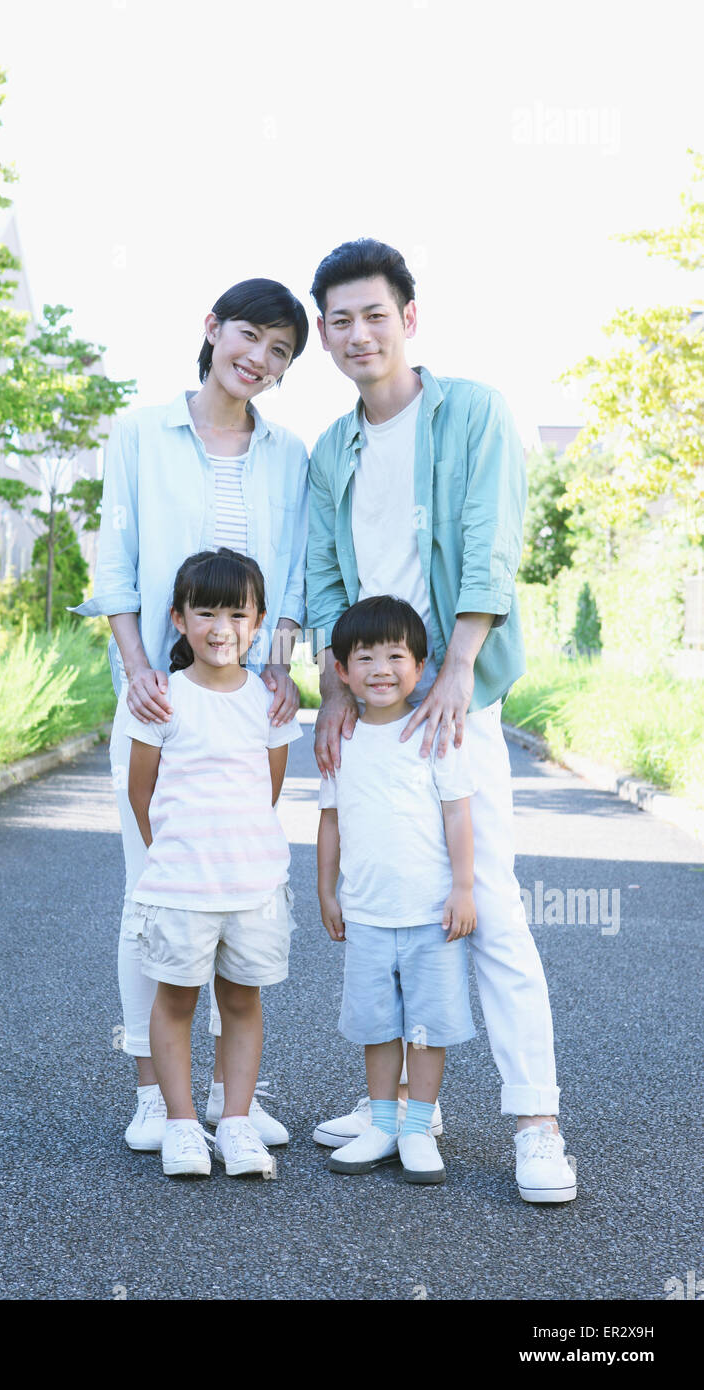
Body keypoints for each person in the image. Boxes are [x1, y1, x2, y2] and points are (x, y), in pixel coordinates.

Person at [306, 238, 577, 1203]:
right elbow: (326, 575)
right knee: (382, 903)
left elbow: (487, 541)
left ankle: (537, 1120)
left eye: (374, 313)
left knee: (485, 903)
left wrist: (458, 665)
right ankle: (394, 1112)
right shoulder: (332, 448)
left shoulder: (473, 412)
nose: (357, 333)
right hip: (369, 702)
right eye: (338, 320)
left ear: (408, 317)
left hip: (451, 695)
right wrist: (334, 690)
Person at [68, 279, 309, 1153]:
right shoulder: (138, 434)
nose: (259, 358)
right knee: (157, 894)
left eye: (280, 351)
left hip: (245, 699)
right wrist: (136, 669)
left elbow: (301, 576)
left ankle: (229, 1100)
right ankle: (149, 1091)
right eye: (250, 336)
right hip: (160, 697)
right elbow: (116, 566)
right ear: (212, 331)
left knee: (236, 882)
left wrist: (280, 668)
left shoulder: (290, 456)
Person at [123, 550, 302, 1177]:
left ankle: (235, 1122)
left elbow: (268, 792)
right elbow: (139, 793)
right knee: (176, 1002)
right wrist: (178, 851)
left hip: (253, 888)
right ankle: (179, 1125)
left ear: (257, 624)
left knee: (243, 1002)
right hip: (181, 887)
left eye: (237, 613)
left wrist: (235, 847)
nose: (220, 627)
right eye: (205, 612)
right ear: (178, 619)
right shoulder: (162, 698)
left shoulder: (270, 703)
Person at [317, 596, 477, 1182]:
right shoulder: (342, 739)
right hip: (366, 912)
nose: (380, 668)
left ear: (421, 665)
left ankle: (418, 1128)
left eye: (395, 655)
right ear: (341, 670)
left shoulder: (432, 732)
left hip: (430, 913)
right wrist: (326, 891)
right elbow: (329, 821)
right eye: (365, 657)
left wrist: (463, 888)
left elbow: (458, 815)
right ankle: (383, 1124)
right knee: (377, 1022)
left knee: (427, 1024)